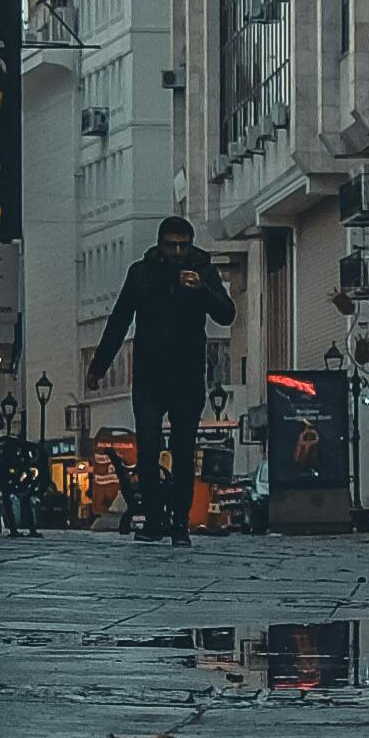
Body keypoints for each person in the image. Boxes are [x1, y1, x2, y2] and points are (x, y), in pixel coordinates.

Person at [94, 219, 222, 543]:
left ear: (191, 245)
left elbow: (226, 313)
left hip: (188, 376)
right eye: (171, 245)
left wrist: (202, 290)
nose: (177, 252)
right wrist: (98, 367)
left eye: (183, 245)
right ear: (160, 244)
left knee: (183, 450)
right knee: (148, 448)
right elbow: (120, 319)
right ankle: (152, 520)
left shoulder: (203, 271)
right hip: (150, 377)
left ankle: (179, 523)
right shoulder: (142, 273)